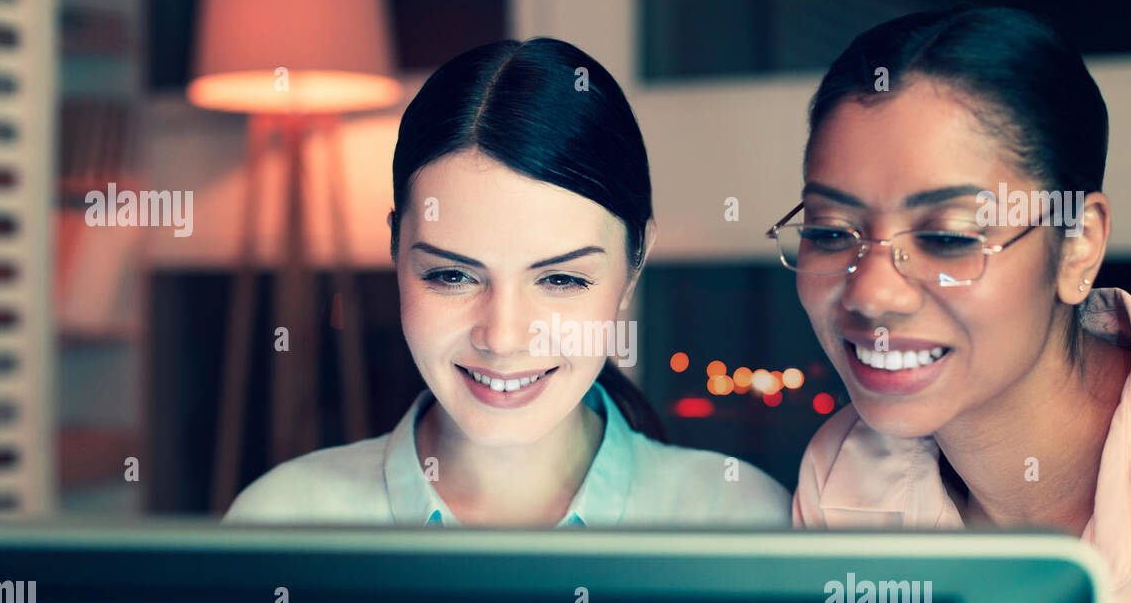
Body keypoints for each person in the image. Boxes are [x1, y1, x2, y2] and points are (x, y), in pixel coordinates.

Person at [778, 6, 1131, 603]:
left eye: (949, 236)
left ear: (1076, 247)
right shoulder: (843, 479)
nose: (872, 294)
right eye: (830, 232)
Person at [225, 37, 789, 528]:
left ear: (634, 265)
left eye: (562, 279)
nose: (503, 337)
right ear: (396, 250)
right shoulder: (279, 524)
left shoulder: (741, 520)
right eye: (451, 275)